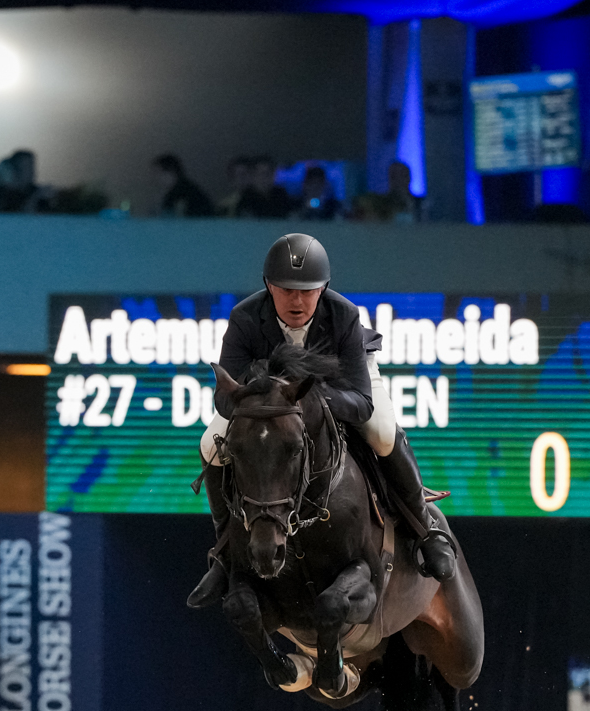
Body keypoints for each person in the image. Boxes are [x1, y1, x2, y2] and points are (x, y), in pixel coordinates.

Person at [187, 233, 456, 608]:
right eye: (286, 290)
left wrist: (310, 399)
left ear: (323, 288)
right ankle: (224, 554)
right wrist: (265, 398)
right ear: (268, 286)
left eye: (308, 291)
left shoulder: (343, 315)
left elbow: (361, 404)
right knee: (209, 446)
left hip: (341, 388)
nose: (297, 301)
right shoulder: (245, 318)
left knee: (380, 433)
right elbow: (226, 397)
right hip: (271, 406)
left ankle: (426, 531)